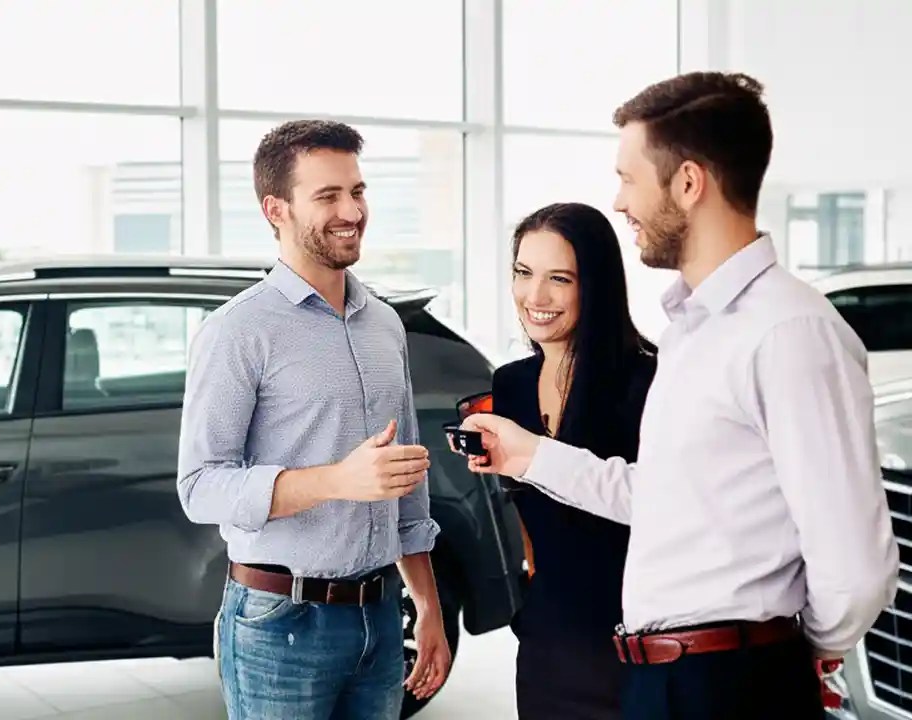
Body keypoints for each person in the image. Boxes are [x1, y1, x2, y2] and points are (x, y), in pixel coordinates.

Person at [460, 71, 898, 719]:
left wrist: (784, 653)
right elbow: (659, 501)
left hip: (730, 679)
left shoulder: (790, 331)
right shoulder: (697, 331)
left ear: (688, 183)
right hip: (660, 675)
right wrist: (530, 455)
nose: (618, 202)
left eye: (629, 179)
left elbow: (855, 565)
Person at [176, 119, 452, 720]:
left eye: (357, 191)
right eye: (327, 196)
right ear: (276, 209)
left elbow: (404, 480)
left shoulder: (385, 324)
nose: (351, 211)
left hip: (381, 615)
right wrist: (336, 481)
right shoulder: (237, 332)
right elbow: (200, 488)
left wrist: (426, 603)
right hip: (280, 624)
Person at [489, 202, 656, 719]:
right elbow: (533, 529)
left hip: (639, 651)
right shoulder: (510, 384)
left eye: (558, 278)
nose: (534, 297)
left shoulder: (649, 382)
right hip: (547, 648)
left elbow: (671, 509)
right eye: (523, 273)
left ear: (596, 285)